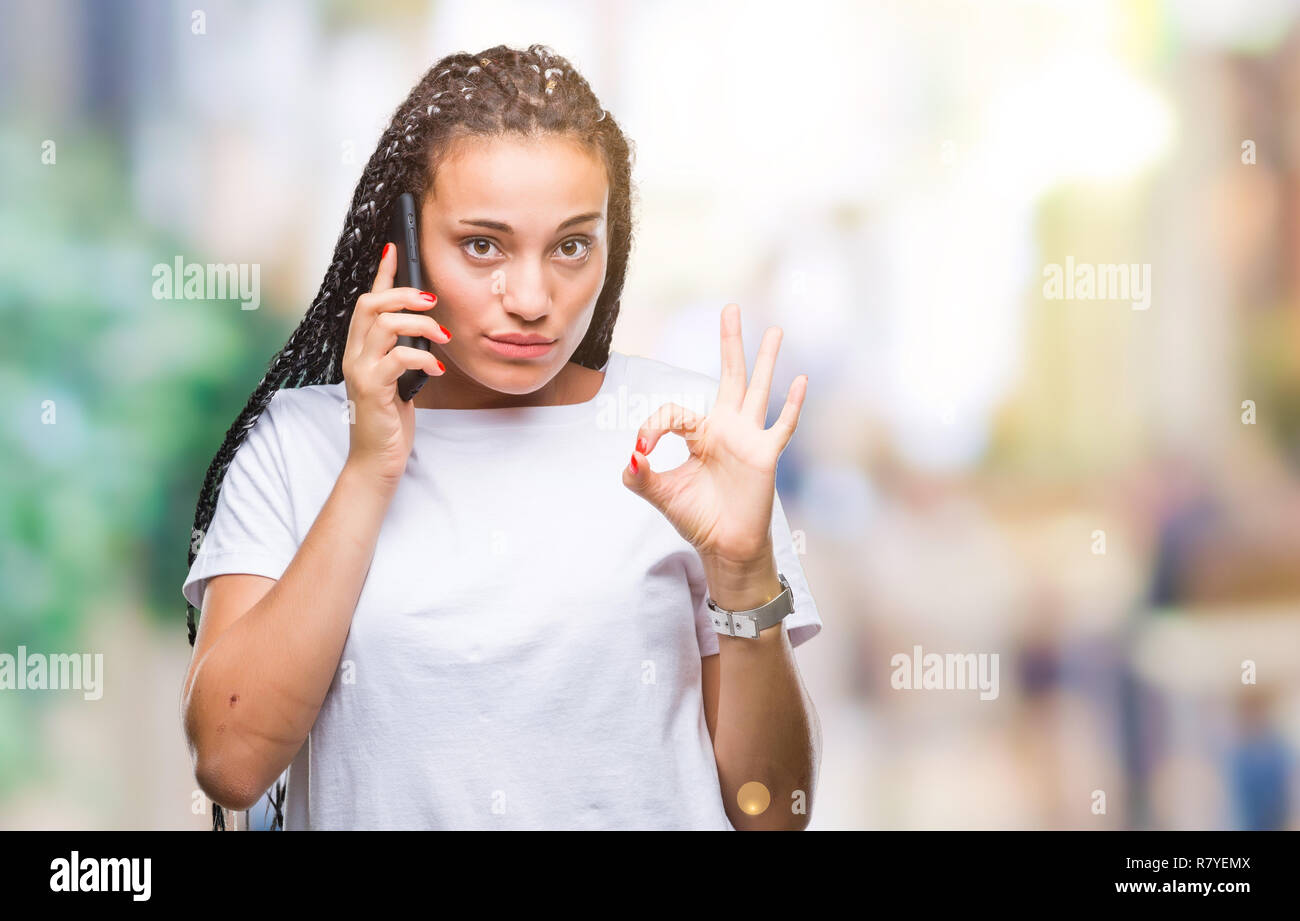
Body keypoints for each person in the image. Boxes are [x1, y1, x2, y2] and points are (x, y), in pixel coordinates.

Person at [179, 43, 823, 831]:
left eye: (571, 245)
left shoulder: (691, 439)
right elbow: (231, 762)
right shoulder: (301, 443)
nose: (532, 297)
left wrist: (742, 571)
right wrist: (369, 466)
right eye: (482, 245)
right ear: (405, 243)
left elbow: (774, 813)